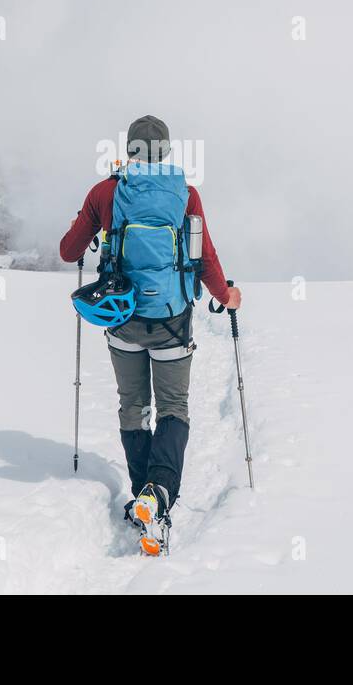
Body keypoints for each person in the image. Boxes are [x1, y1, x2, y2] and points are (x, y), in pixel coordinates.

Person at [60, 115, 240, 545]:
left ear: (130, 151)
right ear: (167, 153)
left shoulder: (106, 192)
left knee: (133, 406)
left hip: (122, 321)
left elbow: (69, 252)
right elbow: (205, 258)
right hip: (172, 322)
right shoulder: (186, 195)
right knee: (173, 408)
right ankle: (157, 496)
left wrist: (83, 225)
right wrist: (226, 295)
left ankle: (145, 495)